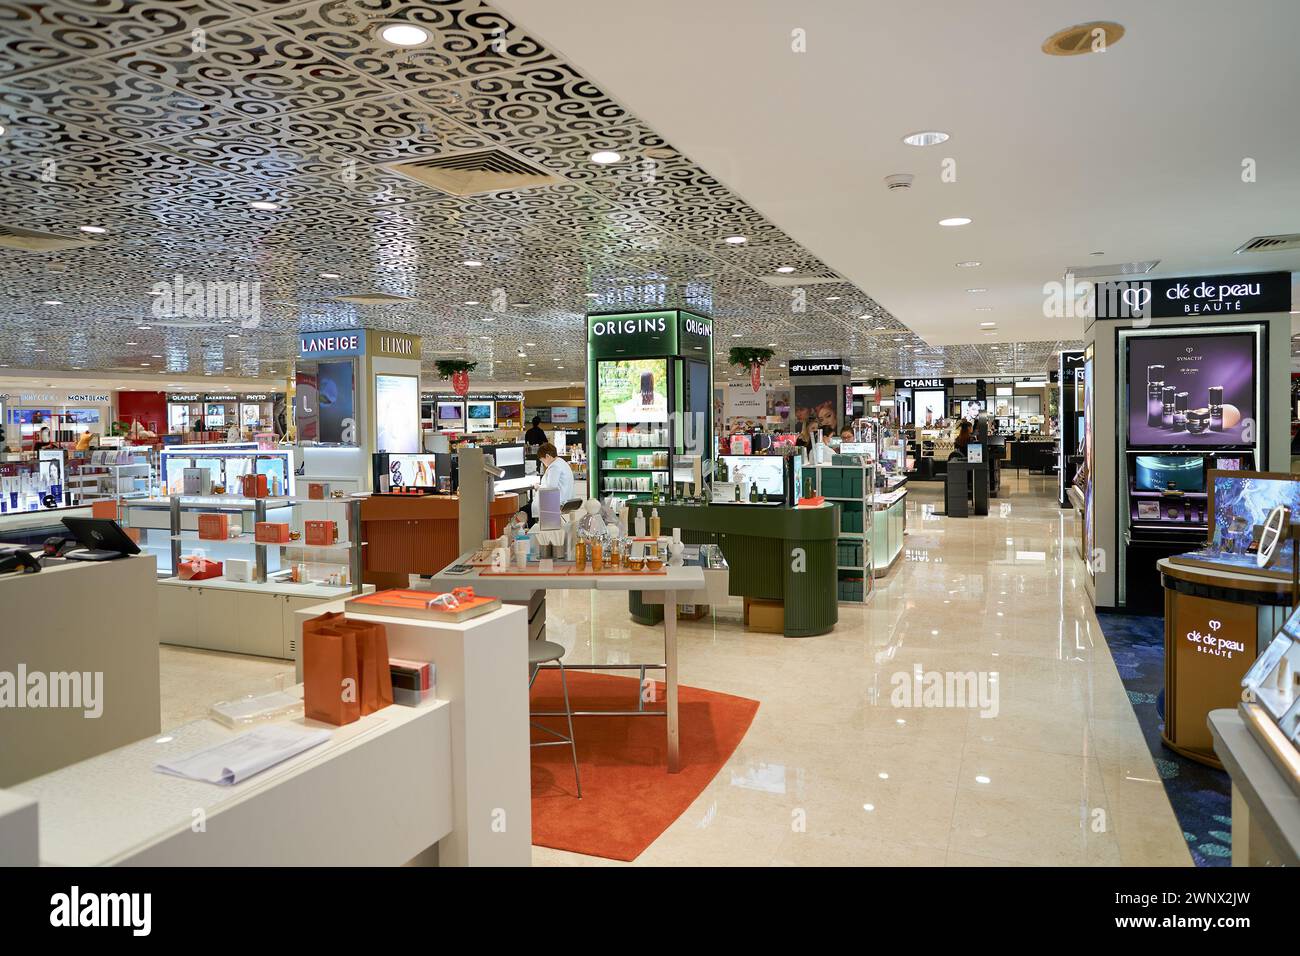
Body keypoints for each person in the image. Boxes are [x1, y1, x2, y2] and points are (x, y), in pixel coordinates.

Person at [532, 441, 574, 519]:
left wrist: (538, 487)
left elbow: (550, 489)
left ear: (547, 456)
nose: (543, 463)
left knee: (526, 510)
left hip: (556, 504)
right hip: (564, 501)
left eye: (542, 460)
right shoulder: (561, 462)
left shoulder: (554, 467)